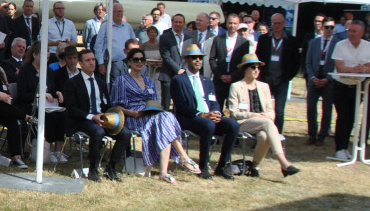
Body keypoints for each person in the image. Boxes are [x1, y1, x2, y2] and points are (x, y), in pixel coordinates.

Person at [109, 46, 197, 184]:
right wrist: (132, 112)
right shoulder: (121, 80)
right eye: (136, 59)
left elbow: (154, 102)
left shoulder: (149, 81)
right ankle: (182, 157)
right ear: (129, 62)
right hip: (133, 117)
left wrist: (154, 109)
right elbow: (115, 105)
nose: (139, 62)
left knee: (165, 117)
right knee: (165, 119)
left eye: (142, 60)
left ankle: (164, 171)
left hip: (151, 114)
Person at [170, 44, 240, 179]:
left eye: (200, 58)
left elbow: (214, 101)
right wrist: (202, 115)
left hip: (208, 117)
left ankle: (222, 166)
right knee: (208, 125)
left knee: (233, 125)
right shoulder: (178, 80)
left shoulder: (207, 80)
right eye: (194, 57)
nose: (198, 60)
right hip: (189, 118)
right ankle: (203, 166)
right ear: (187, 60)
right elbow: (181, 105)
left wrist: (216, 113)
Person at [62, 47, 131, 181]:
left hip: (102, 118)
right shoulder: (72, 83)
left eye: (93, 59)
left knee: (125, 133)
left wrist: (111, 116)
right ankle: (93, 169)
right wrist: (92, 117)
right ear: (80, 64)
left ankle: (111, 167)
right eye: (88, 60)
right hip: (82, 120)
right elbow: (72, 109)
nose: (92, 63)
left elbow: (107, 104)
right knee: (98, 132)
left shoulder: (100, 83)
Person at [227, 53, 301, 177]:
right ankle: (283, 162)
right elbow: (234, 113)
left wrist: (269, 116)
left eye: (258, 67)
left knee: (264, 136)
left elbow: (270, 110)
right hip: (243, 123)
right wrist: (255, 115)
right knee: (267, 123)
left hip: (263, 124)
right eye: (253, 67)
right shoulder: (236, 86)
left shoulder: (264, 87)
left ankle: (254, 166)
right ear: (245, 69)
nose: (256, 70)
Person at [331, 20, 370, 161]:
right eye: (349, 31)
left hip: (357, 87)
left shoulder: (369, 46)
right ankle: (339, 148)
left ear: (362, 33)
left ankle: (345, 147)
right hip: (341, 85)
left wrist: (362, 69)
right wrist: (354, 69)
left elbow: (369, 67)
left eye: (354, 31)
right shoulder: (340, 45)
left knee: (351, 118)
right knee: (342, 117)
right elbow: (339, 67)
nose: (350, 34)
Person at [17, 43, 67, 163]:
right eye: (43, 57)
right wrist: (39, 95)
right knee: (51, 117)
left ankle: (57, 150)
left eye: (48, 58)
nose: (46, 60)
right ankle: (46, 149)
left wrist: (58, 93)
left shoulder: (49, 71)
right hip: (29, 105)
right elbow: (22, 94)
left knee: (62, 115)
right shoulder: (25, 70)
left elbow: (51, 90)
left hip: (46, 105)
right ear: (34, 55)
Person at [254, 13, 301, 134]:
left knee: (279, 111)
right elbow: (257, 58)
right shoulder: (264, 39)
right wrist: (260, 76)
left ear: (284, 24)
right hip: (266, 80)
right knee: (263, 109)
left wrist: (287, 77)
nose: (277, 26)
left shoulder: (291, 40)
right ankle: (261, 135)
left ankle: (277, 135)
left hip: (282, 80)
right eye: (274, 23)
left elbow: (296, 62)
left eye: (279, 23)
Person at [304, 17, 337, 145]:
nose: (329, 30)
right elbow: (308, 62)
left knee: (327, 109)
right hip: (314, 80)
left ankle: (322, 135)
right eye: (327, 27)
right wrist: (312, 77)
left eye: (332, 27)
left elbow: (338, 64)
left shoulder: (337, 43)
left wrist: (328, 79)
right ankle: (312, 134)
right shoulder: (313, 42)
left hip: (328, 81)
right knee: (311, 107)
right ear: (322, 27)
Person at [208, 14, 251, 108]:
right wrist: (220, 75)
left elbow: (245, 63)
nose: (232, 25)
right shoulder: (218, 39)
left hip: (235, 80)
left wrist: (233, 76)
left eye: (235, 23)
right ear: (226, 24)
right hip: (220, 80)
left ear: (238, 24)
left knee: (233, 107)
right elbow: (212, 59)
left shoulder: (244, 42)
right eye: (230, 23)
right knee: (217, 107)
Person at [157, 14, 196, 112]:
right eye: (176, 22)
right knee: (166, 104)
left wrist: (183, 69)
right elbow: (165, 55)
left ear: (184, 24)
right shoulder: (165, 37)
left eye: (180, 22)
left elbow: (190, 55)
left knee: (180, 103)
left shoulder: (189, 38)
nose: (178, 24)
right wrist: (178, 69)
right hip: (168, 75)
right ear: (172, 23)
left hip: (184, 74)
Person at [92, 3, 136, 80]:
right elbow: (98, 46)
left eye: (121, 11)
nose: (119, 14)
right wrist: (101, 63)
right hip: (110, 64)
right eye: (117, 11)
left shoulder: (128, 27)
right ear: (111, 13)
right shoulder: (105, 26)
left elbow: (134, 44)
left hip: (126, 64)